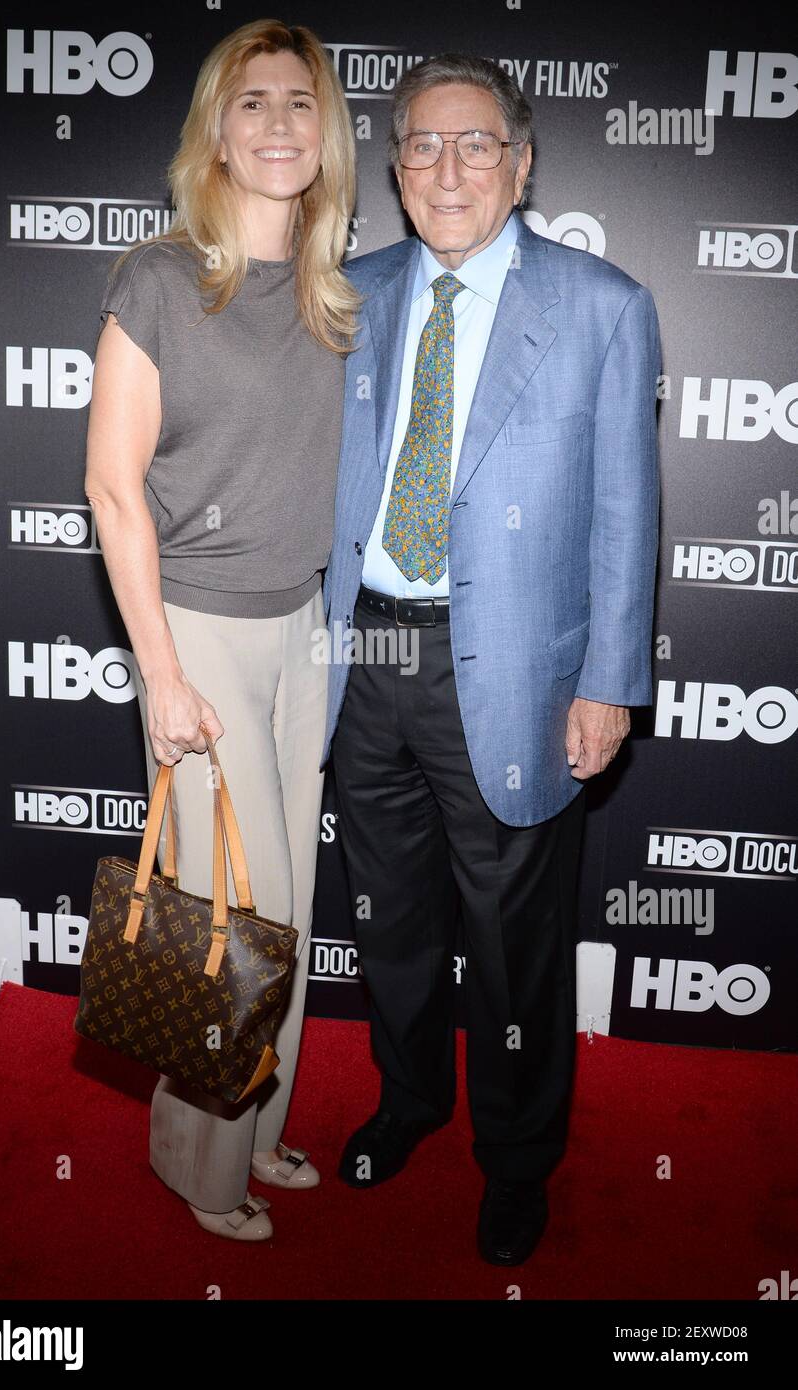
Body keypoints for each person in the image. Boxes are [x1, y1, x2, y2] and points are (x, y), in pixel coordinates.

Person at [322, 53, 661, 1264]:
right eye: (420, 145)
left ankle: (516, 1158)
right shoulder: (347, 296)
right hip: (360, 661)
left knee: (515, 947)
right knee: (391, 921)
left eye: (475, 144)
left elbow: (626, 510)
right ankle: (410, 1099)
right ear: (395, 168)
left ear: (520, 165)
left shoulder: (602, 306)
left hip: (516, 678)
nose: (446, 167)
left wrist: (611, 682)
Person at [84, 19, 358, 1242]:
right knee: (226, 925)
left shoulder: (341, 284)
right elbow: (110, 486)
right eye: (251, 102)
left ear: (327, 128)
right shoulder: (157, 276)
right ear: (215, 128)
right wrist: (160, 672)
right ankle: (203, 1169)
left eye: (299, 102)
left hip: (308, 631)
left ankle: (257, 1122)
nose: (278, 124)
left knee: (272, 916)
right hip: (198, 635)